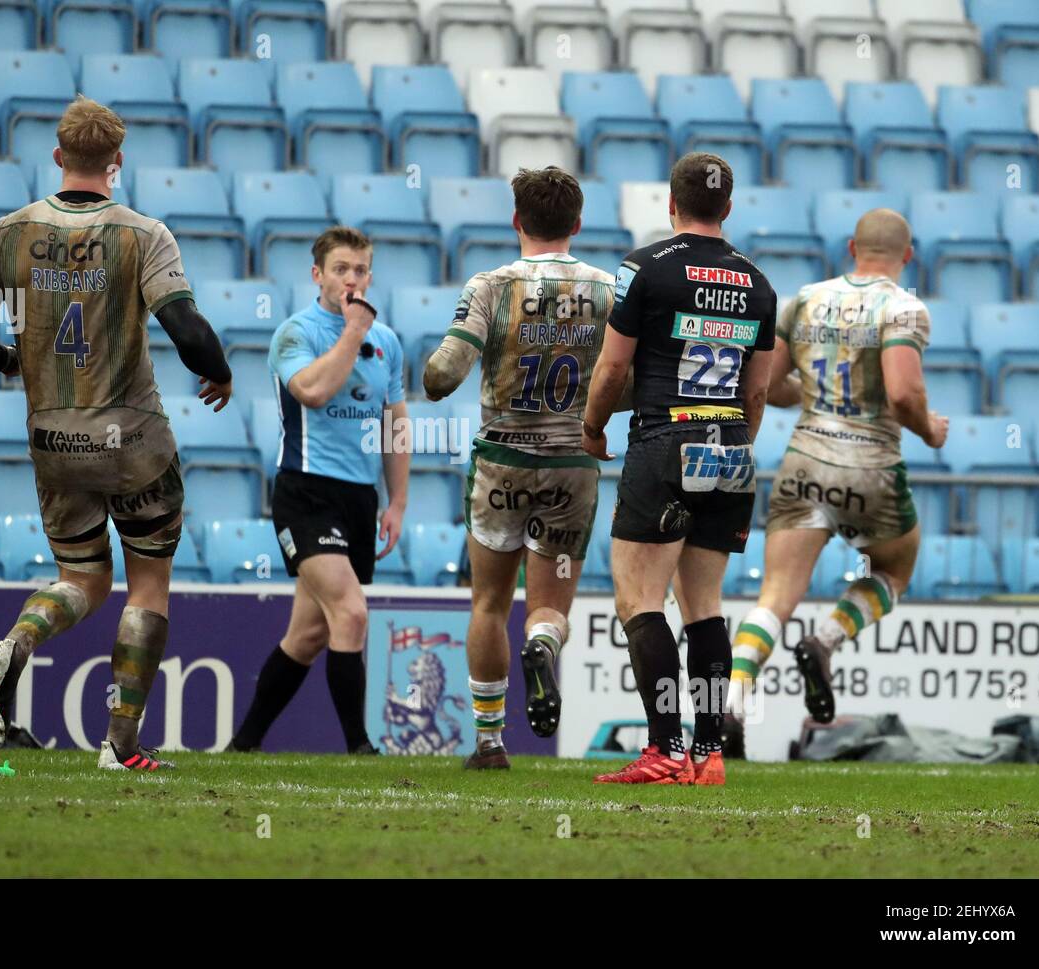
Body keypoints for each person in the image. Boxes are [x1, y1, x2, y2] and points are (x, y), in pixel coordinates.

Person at [0, 95, 232, 771]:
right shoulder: (141, 233)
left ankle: (13, 643)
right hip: (131, 437)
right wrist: (219, 373)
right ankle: (119, 746)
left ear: (58, 156)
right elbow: (187, 329)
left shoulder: (7, 234)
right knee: (146, 586)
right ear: (118, 161)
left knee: (81, 575)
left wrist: (8, 359)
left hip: (53, 439)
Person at [581, 152, 777, 786]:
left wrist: (591, 427)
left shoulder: (645, 269)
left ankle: (665, 748)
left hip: (666, 438)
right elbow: (756, 393)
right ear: (729, 208)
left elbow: (612, 369)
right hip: (731, 448)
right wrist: (737, 441)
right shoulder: (759, 283)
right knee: (705, 606)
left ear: (672, 204)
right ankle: (709, 753)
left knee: (640, 598)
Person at [423, 166, 621, 770]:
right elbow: (624, 381)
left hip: (501, 465)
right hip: (573, 466)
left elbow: (442, 375)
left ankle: (488, 743)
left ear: (517, 222)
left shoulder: (491, 285)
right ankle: (541, 645)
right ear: (577, 224)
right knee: (550, 607)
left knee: (487, 600)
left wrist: (448, 368)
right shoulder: (608, 290)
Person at [727, 209, 946, 742]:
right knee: (892, 572)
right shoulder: (903, 307)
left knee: (775, 594)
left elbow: (765, 385)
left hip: (805, 460)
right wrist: (930, 431)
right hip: (871, 467)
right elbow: (902, 394)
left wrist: (807, 393)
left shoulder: (804, 299)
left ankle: (730, 708)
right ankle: (825, 638)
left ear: (852, 246)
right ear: (907, 256)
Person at [227, 227, 409, 754]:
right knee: (350, 614)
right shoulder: (296, 333)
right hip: (305, 493)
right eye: (340, 270)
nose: (351, 279)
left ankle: (243, 746)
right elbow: (311, 391)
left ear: (370, 276)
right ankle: (360, 747)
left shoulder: (389, 343)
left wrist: (397, 501)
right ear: (318, 275)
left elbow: (396, 425)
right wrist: (352, 332)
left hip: (359, 499)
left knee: (307, 636)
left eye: (360, 270)